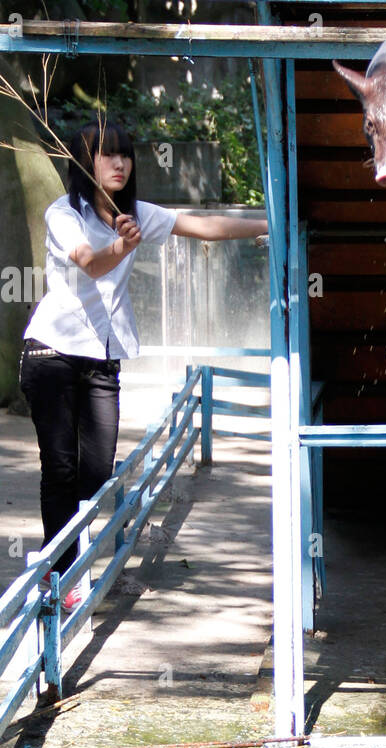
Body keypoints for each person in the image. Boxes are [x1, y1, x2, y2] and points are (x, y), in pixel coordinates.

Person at [19, 119, 268, 609]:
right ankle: (61, 576)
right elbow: (91, 261)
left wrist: (271, 225)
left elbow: (202, 228)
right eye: (107, 155)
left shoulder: (136, 213)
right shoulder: (63, 213)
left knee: (96, 473)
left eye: (125, 155)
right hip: (51, 353)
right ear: (84, 163)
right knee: (61, 468)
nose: (119, 163)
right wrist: (122, 246)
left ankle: (67, 566)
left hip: (101, 361)